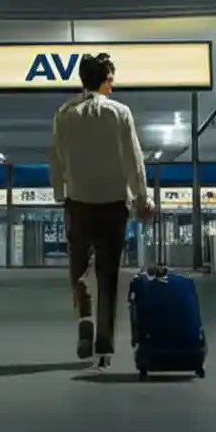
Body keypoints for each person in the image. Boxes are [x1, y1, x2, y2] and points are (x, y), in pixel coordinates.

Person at [50, 52, 152, 371]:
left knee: (79, 270)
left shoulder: (65, 114)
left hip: (78, 204)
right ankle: (105, 346)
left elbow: (56, 158)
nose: (113, 83)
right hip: (112, 206)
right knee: (108, 276)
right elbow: (133, 160)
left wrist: (59, 193)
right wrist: (141, 199)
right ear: (105, 79)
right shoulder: (119, 112)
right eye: (112, 77)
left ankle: (85, 317)